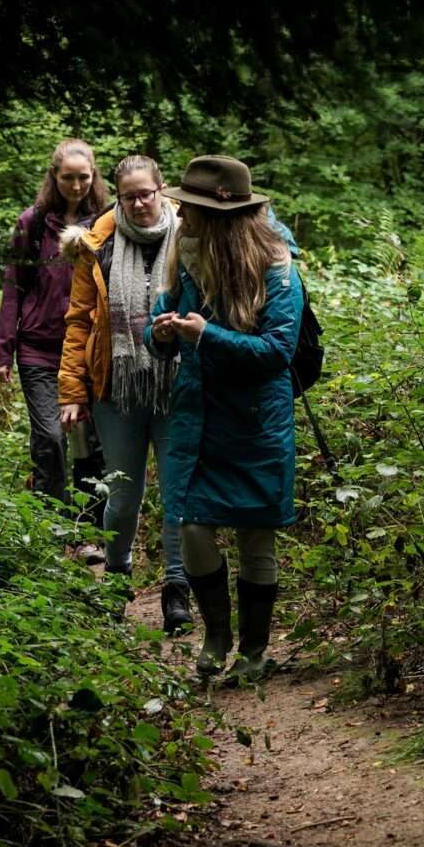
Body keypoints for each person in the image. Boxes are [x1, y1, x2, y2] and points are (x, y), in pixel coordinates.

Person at [145, 155, 302, 682]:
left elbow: (277, 351)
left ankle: (254, 651)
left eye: (190, 208)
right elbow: (161, 319)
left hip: (258, 421)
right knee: (192, 526)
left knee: (256, 536)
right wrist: (160, 333)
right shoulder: (186, 255)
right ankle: (216, 635)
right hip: (200, 418)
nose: (180, 216)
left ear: (220, 217)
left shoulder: (276, 265)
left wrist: (206, 335)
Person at [59, 156, 195, 634]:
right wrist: (71, 391)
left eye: (146, 194)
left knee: (177, 493)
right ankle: (117, 579)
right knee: (122, 494)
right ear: (116, 197)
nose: (138, 204)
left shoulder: (191, 237)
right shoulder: (97, 244)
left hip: (177, 383)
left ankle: (177, 589)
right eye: (128, 196)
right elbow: (79, 320)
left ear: (162, 191)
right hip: (115, 387)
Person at [0, 139, 109, 556]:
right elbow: (14, 286)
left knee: (89, 442)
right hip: (38, 348)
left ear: (94, 176)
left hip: (88, 349)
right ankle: (51, 531)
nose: (76, 185)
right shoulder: (33, 222)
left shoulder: (106, 223)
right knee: (50, 437)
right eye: (68, 177)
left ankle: (90, 532)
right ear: (54, 177)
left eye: (84, 177)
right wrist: (3, 350)